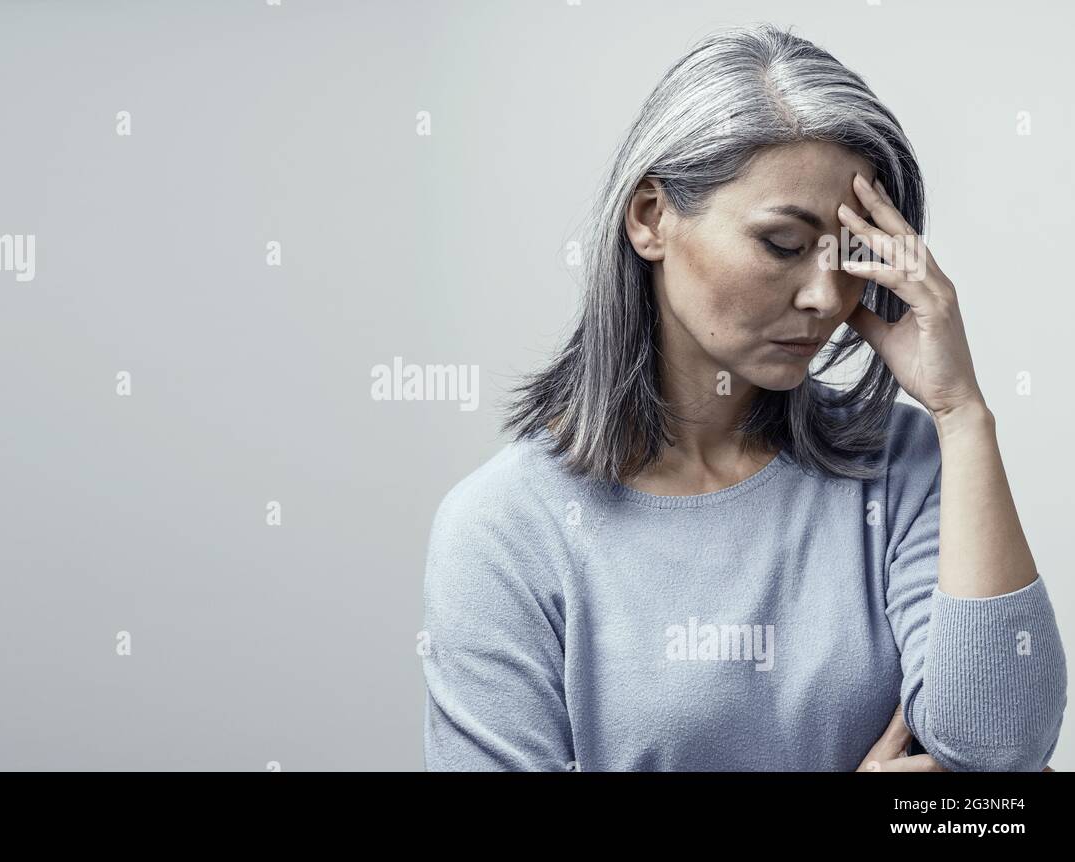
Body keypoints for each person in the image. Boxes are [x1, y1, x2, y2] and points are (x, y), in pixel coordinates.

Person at [420, 22, 1066, 771]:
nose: (827, 296)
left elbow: (1002, 762)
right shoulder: (505, 530)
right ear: (651, 218)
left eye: (853, 257)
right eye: (783, 246)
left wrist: (963, 415)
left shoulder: (901, 465)